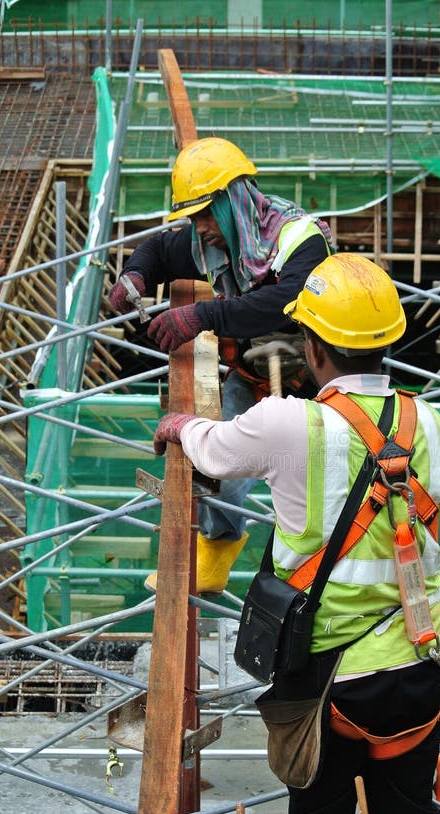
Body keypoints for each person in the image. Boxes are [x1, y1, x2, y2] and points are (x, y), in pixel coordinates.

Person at [152, 252, 440, 814]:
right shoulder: (427, 421)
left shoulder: (287, 422)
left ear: (312, 344)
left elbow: (211, 446)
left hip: (329, 678)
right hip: (419, 666)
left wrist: (179, 424)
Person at [109, 136, 333, 591]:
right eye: (194, 217)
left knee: (317, 485)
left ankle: (317, 575)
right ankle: (213, 559)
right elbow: (157, 250)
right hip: (255, 375)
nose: (201, 227)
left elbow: (286, 300)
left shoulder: (299, 238)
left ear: (233, 201)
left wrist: (201, 314)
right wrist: (134, 274)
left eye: (206, 213)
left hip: (315, 381)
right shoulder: (216, 243)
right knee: (218, 469)